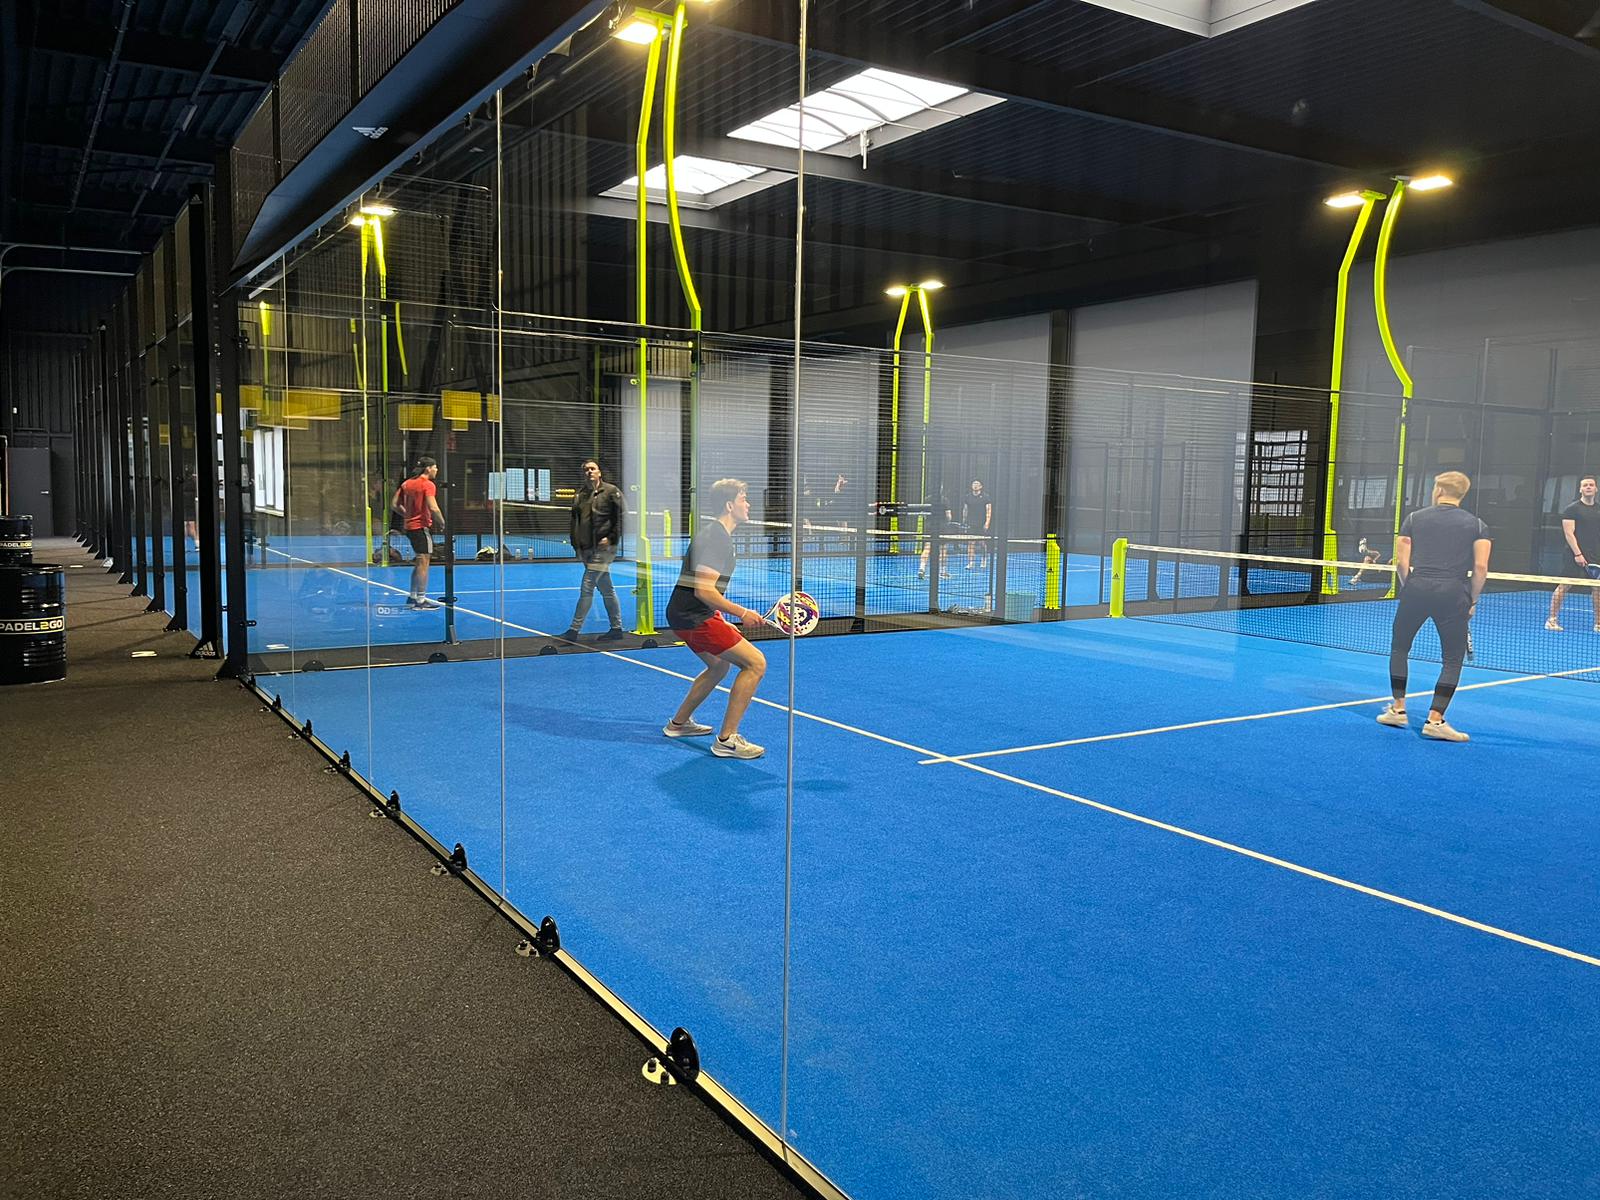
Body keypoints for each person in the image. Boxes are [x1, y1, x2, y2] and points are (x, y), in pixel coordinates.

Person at [662, 478, 773, 760]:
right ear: (729, 505)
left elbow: (700, 589)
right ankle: (727, 739)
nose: (748, 504)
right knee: (756, 663)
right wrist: (743, 613)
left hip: (684, 613)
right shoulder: (717, 538)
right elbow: (704, 590)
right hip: (693, 617)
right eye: (744, 499)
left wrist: (718, 615)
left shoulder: (717, 534)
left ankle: (678, 724)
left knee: (718, 666)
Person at [1376, 470, 1491, 742]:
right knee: (1452, 659)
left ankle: (1398, 709)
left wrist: (1411, 588)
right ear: (1462, 494)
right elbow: (1480, 568)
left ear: (1438, 490)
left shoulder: (1413, 519)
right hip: (1453, 593)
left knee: (1399, 648)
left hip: (1416, 589)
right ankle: (1435, 720)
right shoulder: (1478, 526)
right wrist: (1472, 600)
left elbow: (1401, 563)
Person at [562, 459, 626, 642]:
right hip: (586, 548)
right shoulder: (580, 495)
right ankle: (617, 628)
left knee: (587, 586)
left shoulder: (611, 491)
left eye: (592, 469)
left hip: (604, 549)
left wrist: (610, 537)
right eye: (586, 470)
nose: (589, 472)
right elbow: (575, 521)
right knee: (607, 589)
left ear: (599, 472)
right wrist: (576, 545)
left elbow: (621, 517)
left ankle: (574, 630)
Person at [1545, 474, 1600, 632]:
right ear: (1580, 489)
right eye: (1585, 485)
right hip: (1574, 555)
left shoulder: (1598, 509)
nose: (1588, 487)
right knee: (1565, 585)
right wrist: (1578, 554)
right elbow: (1569, 533)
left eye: (1591, 485)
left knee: (1597, 588)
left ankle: (1598, 623)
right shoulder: (1572, 509)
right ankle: (1551, 620)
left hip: (1595, 555)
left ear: (1596, 489)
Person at [392, 458, 444, 609]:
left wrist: (408, 515)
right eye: (435, 467)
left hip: (409, 528)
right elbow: (433, 507)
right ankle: (420, 600)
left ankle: (413, 596)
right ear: (428, 469)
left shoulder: (406, 484)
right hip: (420, 528)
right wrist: (442, 522)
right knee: (424, 562)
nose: (436, 470)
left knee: (419, 562)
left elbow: (394, 505)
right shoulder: (428, 485)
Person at [917, 487, 956, 581]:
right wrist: (947, 522)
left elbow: (923, 514)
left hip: (929, 526)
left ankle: (922, 568)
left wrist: (929, 521)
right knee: (943, 549)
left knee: (927, 547)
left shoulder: (927, 499)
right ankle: (943, 571)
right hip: (941, 527)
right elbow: (948, 516)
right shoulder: (945, 500)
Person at [962, 479, 992, 570]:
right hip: (971, 523)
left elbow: (988, 510)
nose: (975, 485)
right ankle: (971, 562)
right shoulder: (968, 497)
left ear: (981, 486)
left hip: (981, 523)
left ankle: (984, 559)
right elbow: (965, 509)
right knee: (971, 543)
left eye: (977, 484)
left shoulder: (986, 497)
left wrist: (987, 522)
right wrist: (964, 520)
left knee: (982, 543)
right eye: (973, 484)